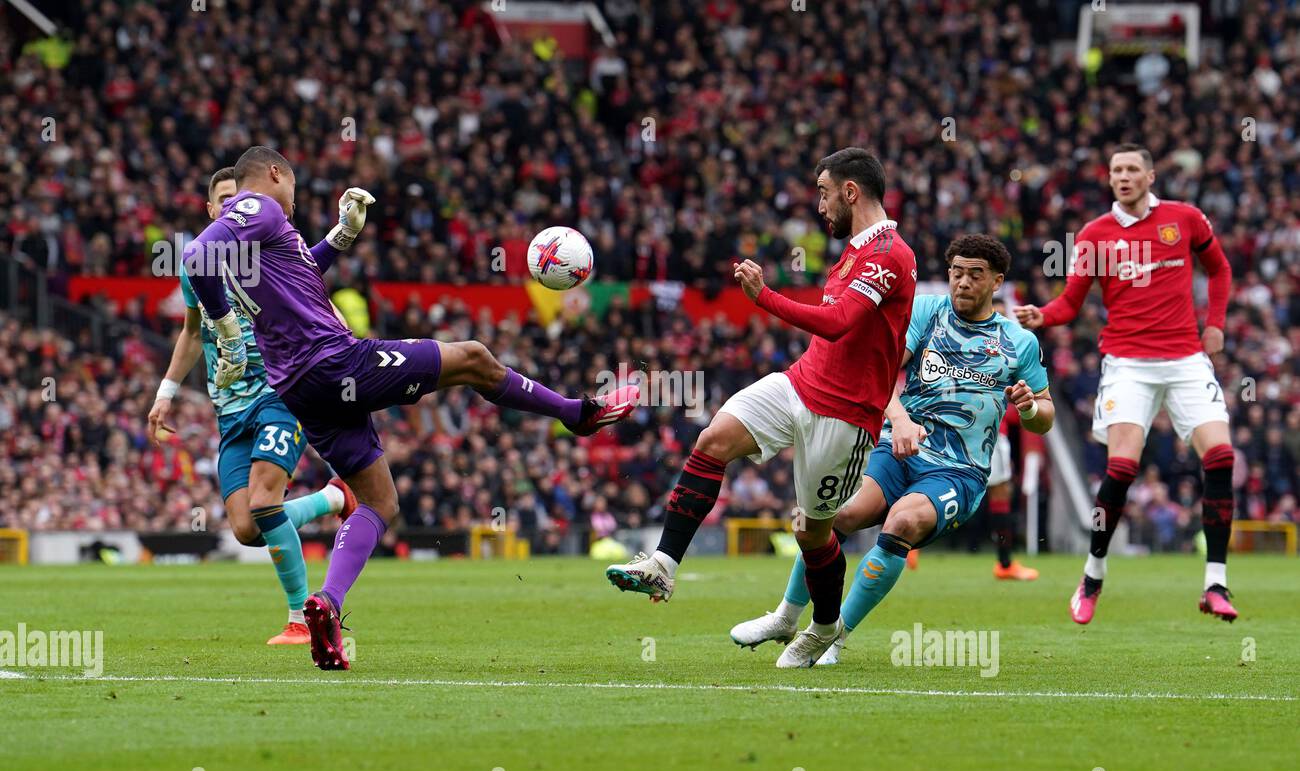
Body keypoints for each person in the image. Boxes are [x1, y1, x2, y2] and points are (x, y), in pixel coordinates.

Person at [183, 146, 638, 669]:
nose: (292, 201)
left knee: (380, 502)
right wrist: (225, 332)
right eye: (292, 187)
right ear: (276, 174)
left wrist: (340, 236)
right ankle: (575, 414)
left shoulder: (255, 246)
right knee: (473, 358)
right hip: (336, 362)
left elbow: (298, 271)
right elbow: (196, 257)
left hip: (301, 389)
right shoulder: (260, 206)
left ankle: (326, 604)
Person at [607, 148, 918, 668]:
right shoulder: (857, 249)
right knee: (713, 441)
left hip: (845, 416)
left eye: (823, 192)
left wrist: (764, 297)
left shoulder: (890, 253)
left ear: (850, 192)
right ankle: (663, 563)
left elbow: (840, 321)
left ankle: (821, 628)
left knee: (812, 531)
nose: (818, 205)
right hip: (801, 383)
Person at [731, 235, 1055, 666]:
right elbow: (879, 371)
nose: (962, 282)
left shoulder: (1019, 343)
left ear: (997, 281)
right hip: (899, 448)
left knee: (902, 522)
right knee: (837, 515)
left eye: (975, 275)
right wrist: (899, 419)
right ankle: (785, 615)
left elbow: (1045, 415)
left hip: (960, 469)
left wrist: (1031, 407)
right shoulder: (927, 312)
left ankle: (830, 637)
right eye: (957, 272)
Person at [1014, 143, 1236, 624]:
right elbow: (1070, 303)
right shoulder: (1095, 235)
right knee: (1122, 468)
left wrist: (1214, 322)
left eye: (1133, 168)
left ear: (1151, 176)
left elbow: (1219, 268)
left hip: (1185, 358)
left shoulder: (1185, 219)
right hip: (1128, 362)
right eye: (1116, 170)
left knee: (1220, 457)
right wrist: (1042, 315)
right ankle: (1093, 574)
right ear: (1110, 178)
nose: (1124, 176)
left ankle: (1215, 582)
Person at [147, 166, 356, 645]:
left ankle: (301, 619)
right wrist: (166, 393)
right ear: (210, 209)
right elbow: (191, 333)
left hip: (279, 392)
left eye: (238, 197)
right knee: (246, 528)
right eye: (223, 199)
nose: (232, 206)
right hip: (229, 408)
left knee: (264, 502)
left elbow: (309, 278)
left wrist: (340, 241)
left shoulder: (265, 254)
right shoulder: (196, 267)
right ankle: (334, 498)